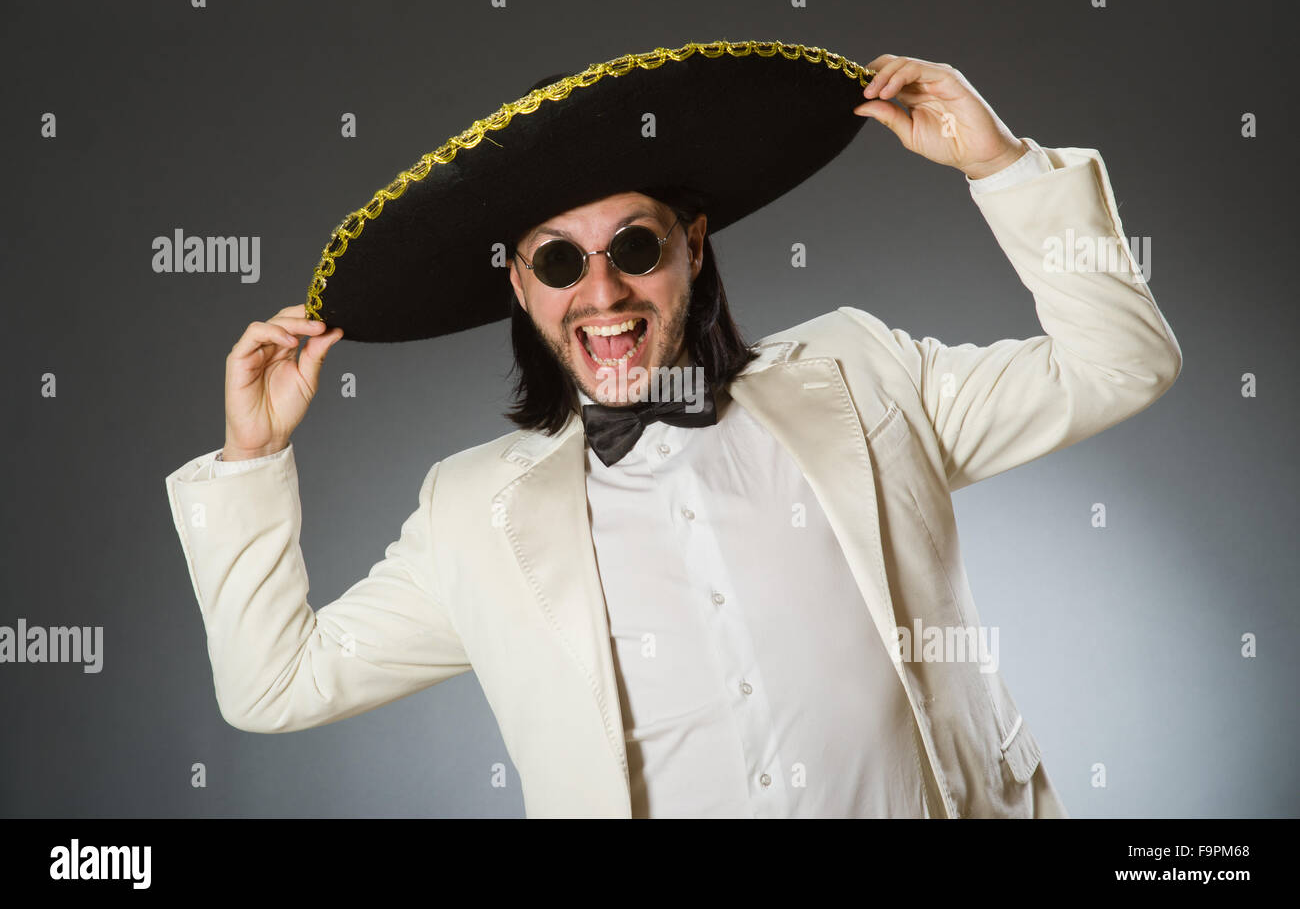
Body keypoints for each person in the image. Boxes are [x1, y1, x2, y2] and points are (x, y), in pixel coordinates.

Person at [164, 42, 1181, 818]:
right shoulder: (471, 513)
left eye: (634, 246)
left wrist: (1001, 169)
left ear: (692, 247)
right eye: (558, 263)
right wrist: (252, 459)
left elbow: (1120, 366)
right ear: (520, 289)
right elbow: (276, 688)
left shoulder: (864, 376)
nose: (600, 292)